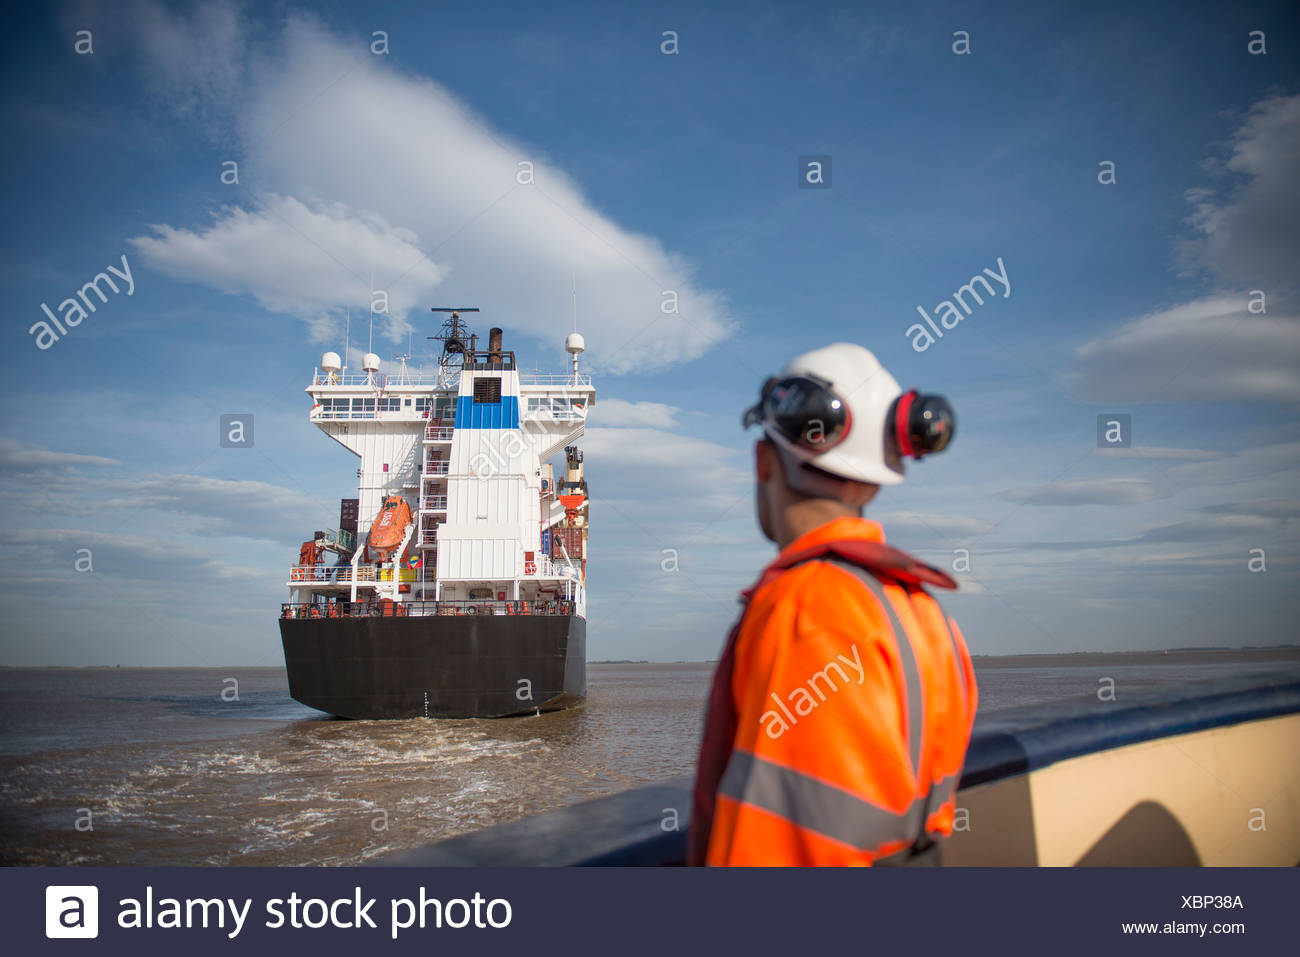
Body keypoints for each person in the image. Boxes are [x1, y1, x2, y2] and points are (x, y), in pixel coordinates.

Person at [688, 343, 978, 866]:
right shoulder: (921, 609)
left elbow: (778, 854)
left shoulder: (810, 608)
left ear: (763, 460)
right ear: (876, 478)